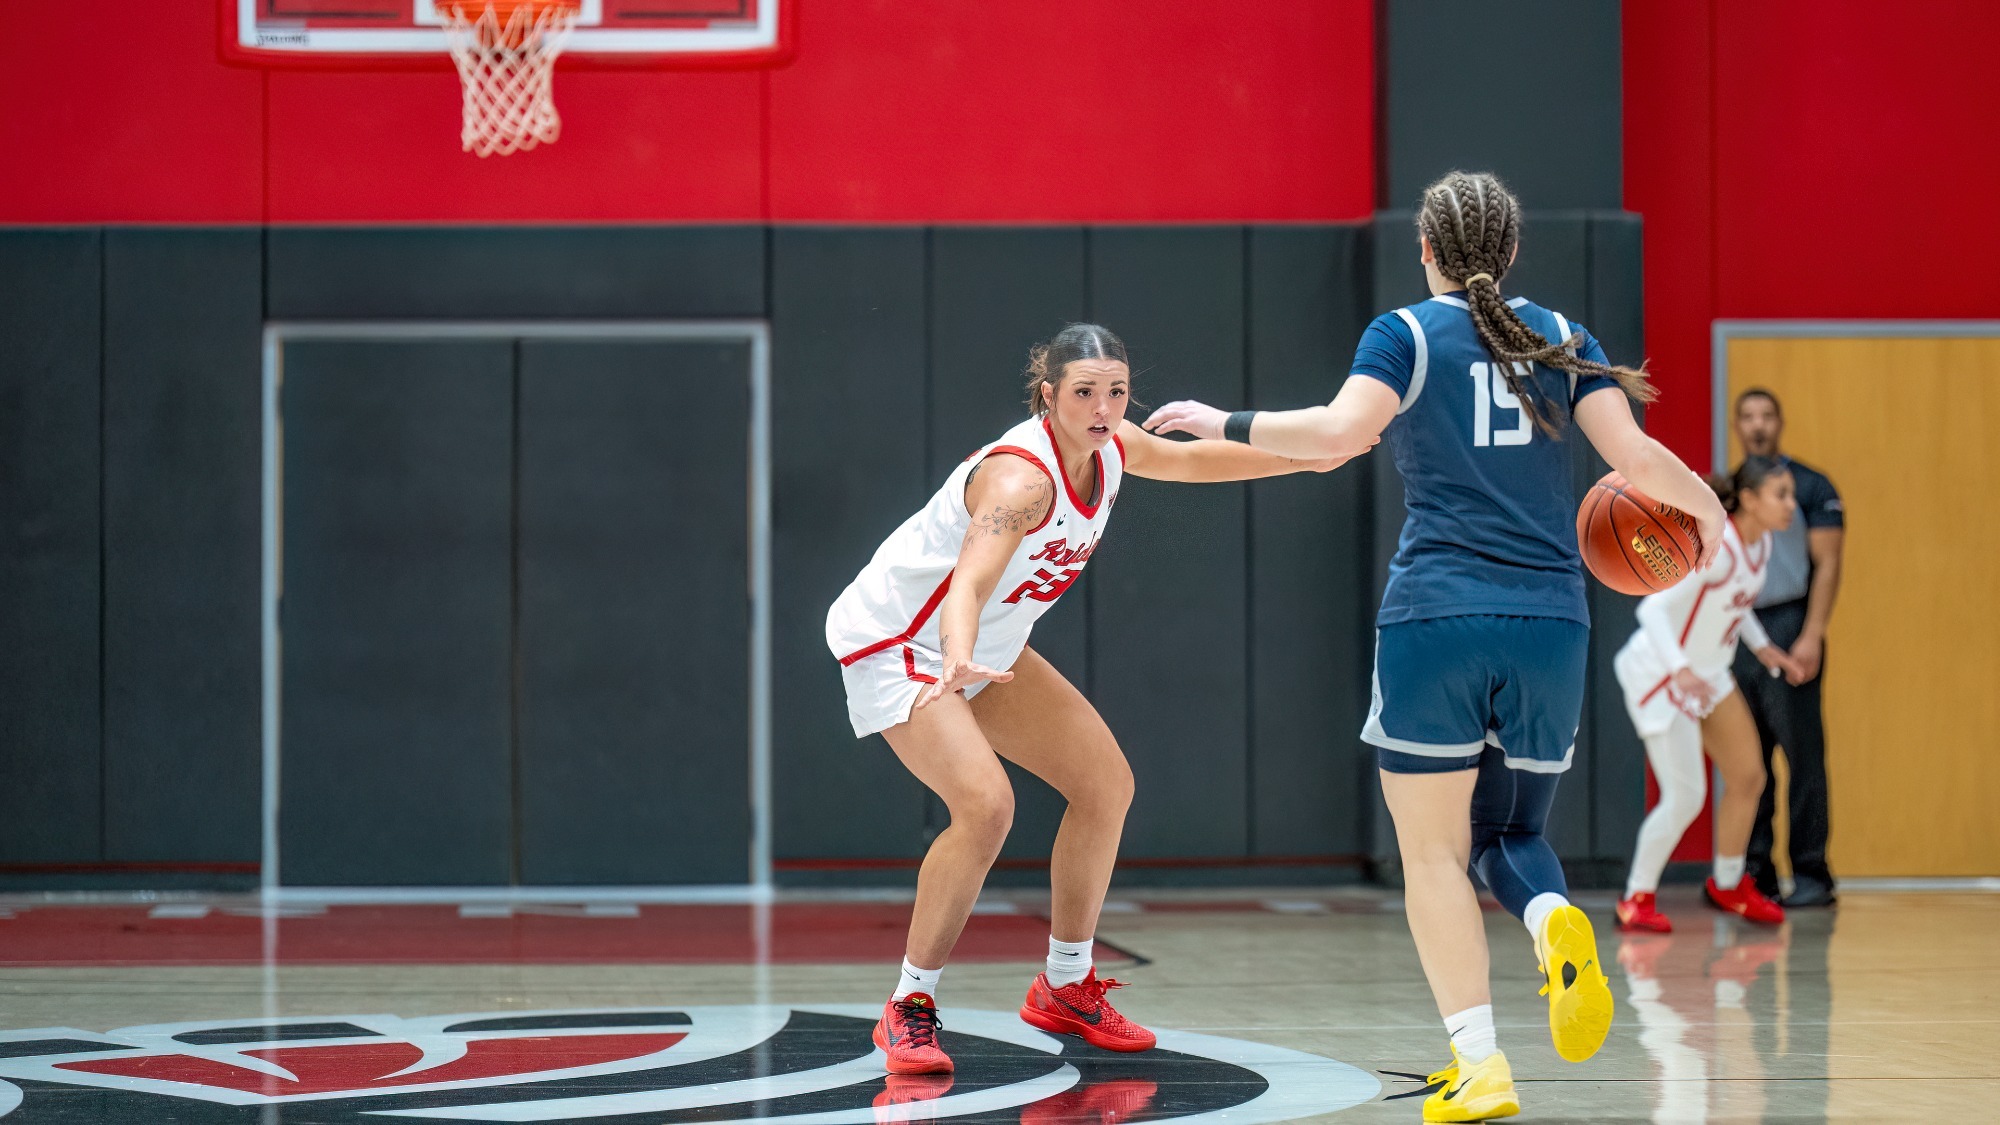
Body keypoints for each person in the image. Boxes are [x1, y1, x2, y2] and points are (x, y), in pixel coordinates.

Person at [1143, 170, 1726, 1123]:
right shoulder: (1564, 338)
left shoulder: (1405, 334)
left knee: (1432, 855)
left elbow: (1336, 438)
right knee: (1513, 832)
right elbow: (1638, 462)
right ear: (1511, 250)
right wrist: (1711, 515)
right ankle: (1549, 916)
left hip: (1438, 618)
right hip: (1552, 622)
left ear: (1424, 249)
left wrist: (1223, 420)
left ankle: (1481, 1063)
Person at [825, 324, 1361, 1076]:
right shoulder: (1021, 481)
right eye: (1085, 392)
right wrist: (958, 652)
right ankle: (909, 1004)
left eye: (1116, 390)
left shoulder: (1110, 449)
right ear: (1049, 396)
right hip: (905, 645)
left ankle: (1066, 984)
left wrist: (1301, 459)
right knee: (986, 806)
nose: (1105, 407)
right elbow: (972, 578)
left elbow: (1186, 457)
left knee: (1106, 785)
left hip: (988, 646)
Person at [1613, 457, 1805, 933]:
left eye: (1791, 494)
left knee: (1749, 775)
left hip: (1710, 674)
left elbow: (1737, 608)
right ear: (1750, 499)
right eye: (1780, 494)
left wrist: (1765, 652)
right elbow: (1653, 611)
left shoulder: (1759, 549)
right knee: (1685, 797)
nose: (1790, 505)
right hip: (1662, 673)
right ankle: (1636, 897)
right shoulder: (1715, 550)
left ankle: (1727, 883)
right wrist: (1678, 670)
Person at [1729, 389, 1845, 907]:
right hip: (1738, 627)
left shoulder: (1812, 486)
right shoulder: (1731, 492)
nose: (1757, 425)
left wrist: (1812, 632)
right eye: (1747, 417)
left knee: (1802, 755)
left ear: (1780, 422)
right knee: (1747, 759)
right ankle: (1754, 875)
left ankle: (1811, 872)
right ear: (1737, 425)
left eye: (1766, 415)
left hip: (1790, 620)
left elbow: (1829, 564)